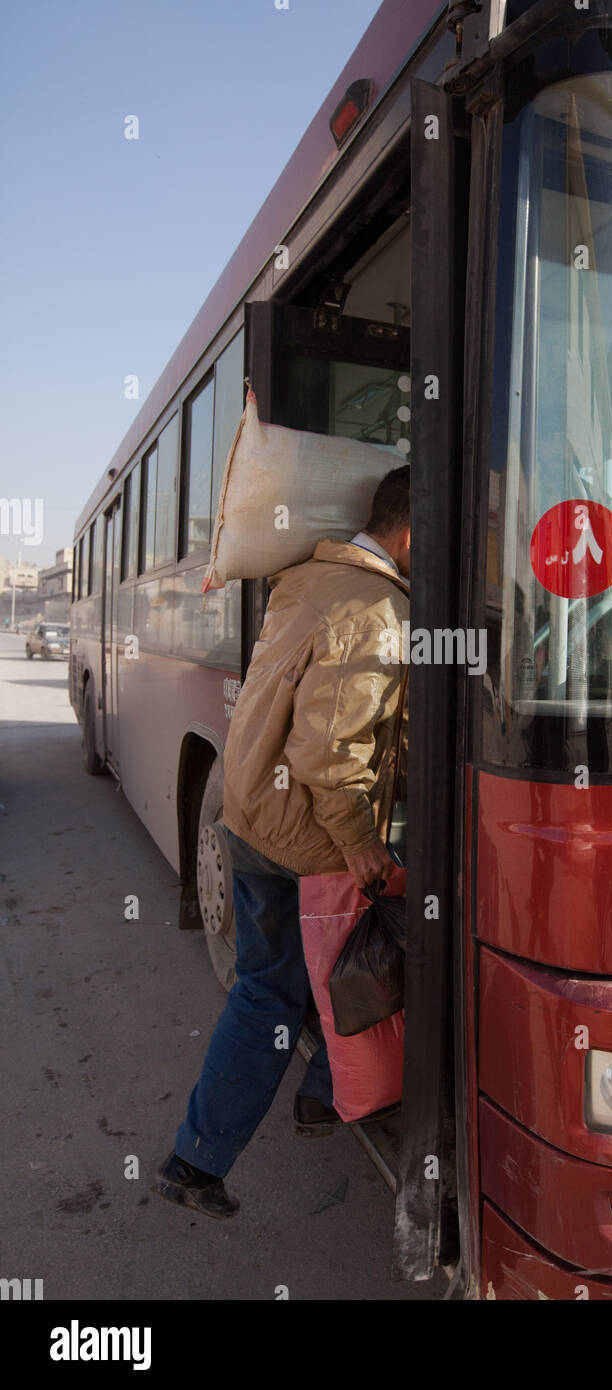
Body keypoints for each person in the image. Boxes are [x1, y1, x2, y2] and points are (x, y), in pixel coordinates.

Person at [151, 465, 410, 1219]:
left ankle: (308, 1104)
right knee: (332, 973)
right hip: (305, 837)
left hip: (254, 816)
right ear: (410, 529)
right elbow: (331, 752)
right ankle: (200, 1160)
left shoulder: (307, 577)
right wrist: (363, 843)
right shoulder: (376, 609)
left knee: (281, 980)